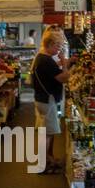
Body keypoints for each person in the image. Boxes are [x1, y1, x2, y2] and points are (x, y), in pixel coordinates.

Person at [30, 26, 69, 173]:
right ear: (51, 44)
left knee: (46, 132)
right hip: (47, 100)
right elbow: (64, 78)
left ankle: (47, 160)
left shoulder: (42, 58)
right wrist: (64, 63)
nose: (59, 49)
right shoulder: (45, 60)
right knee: (46, 133)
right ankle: (43, 164)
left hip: (42, 99)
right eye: (58, 46)